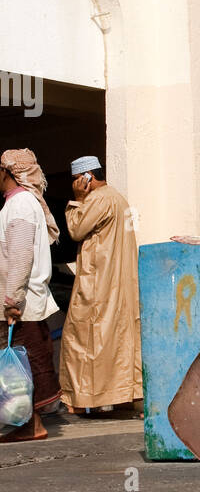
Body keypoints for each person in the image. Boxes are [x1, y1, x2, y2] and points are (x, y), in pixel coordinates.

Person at [59, 156, 143, 415]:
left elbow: (76, 230)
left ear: (86, 178)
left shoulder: (96, 199)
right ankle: (123, 395)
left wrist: (76, 200)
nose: (75, 184)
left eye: (77, 180)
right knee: (118, 340)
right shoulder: (119, 198)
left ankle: (80, 398)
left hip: (99, 283)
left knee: (81, 339)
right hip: (119, 282)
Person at [0, 148, 62, 442]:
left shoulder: (21, 205)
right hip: (24, 300)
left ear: (7, 172)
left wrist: (11, 301)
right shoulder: (19, 203)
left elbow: (21, 256)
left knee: (23, 365)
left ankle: (30, 424)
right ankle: (25, 422)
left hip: (22, 302)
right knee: (24, 363)